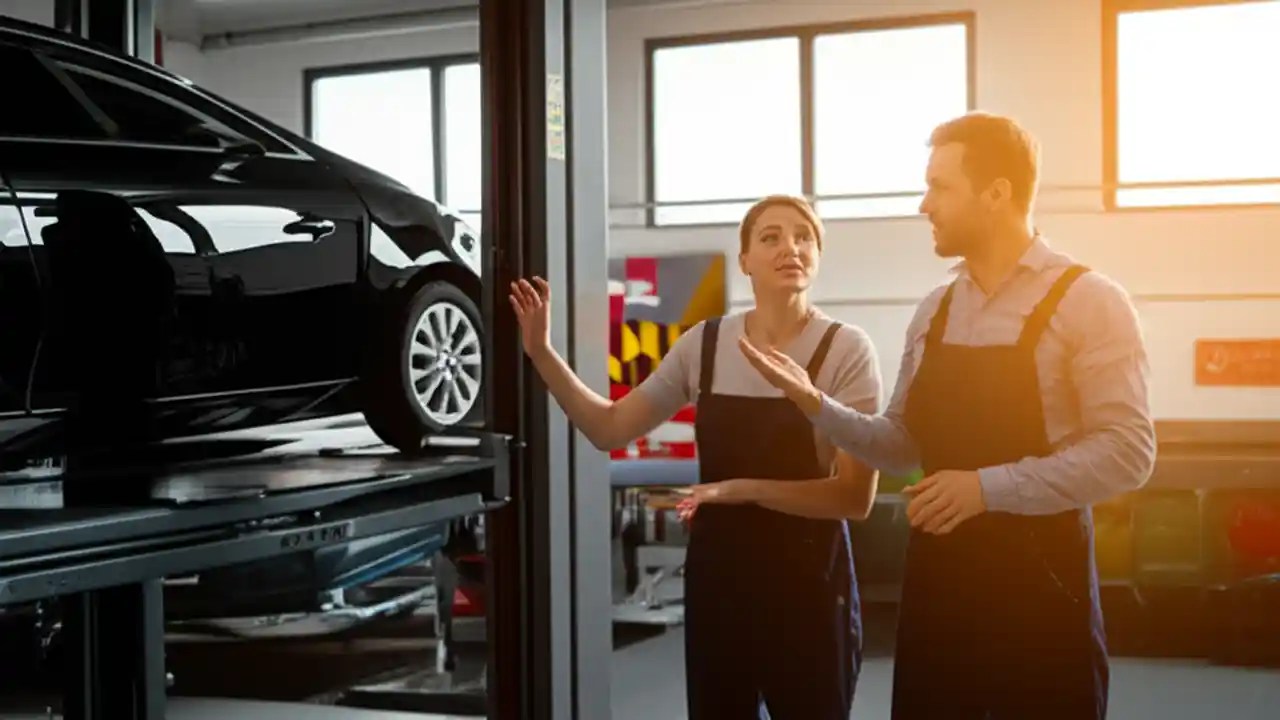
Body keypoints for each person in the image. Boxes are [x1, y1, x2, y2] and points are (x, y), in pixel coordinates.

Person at [737, 112, 1156, 719]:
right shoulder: (935, 311)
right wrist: (814, 403)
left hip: (1043, 598)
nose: (923, 204)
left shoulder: (1091, 301)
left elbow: (1128, 451)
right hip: (941, 596)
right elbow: (904, 444)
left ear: (996, 194)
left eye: (939, 186)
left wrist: (985, 490)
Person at [509, 194, 882, 719]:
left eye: (804, 237)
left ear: (818, 256)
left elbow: (853, 497)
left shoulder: (846, 349)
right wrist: (542, 353)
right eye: (770, 237)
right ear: (745, 259)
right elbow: (608, 428)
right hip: (721, 584)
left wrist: (739, 490)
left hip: (809, 587)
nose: (790, 247)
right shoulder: (703, 346)